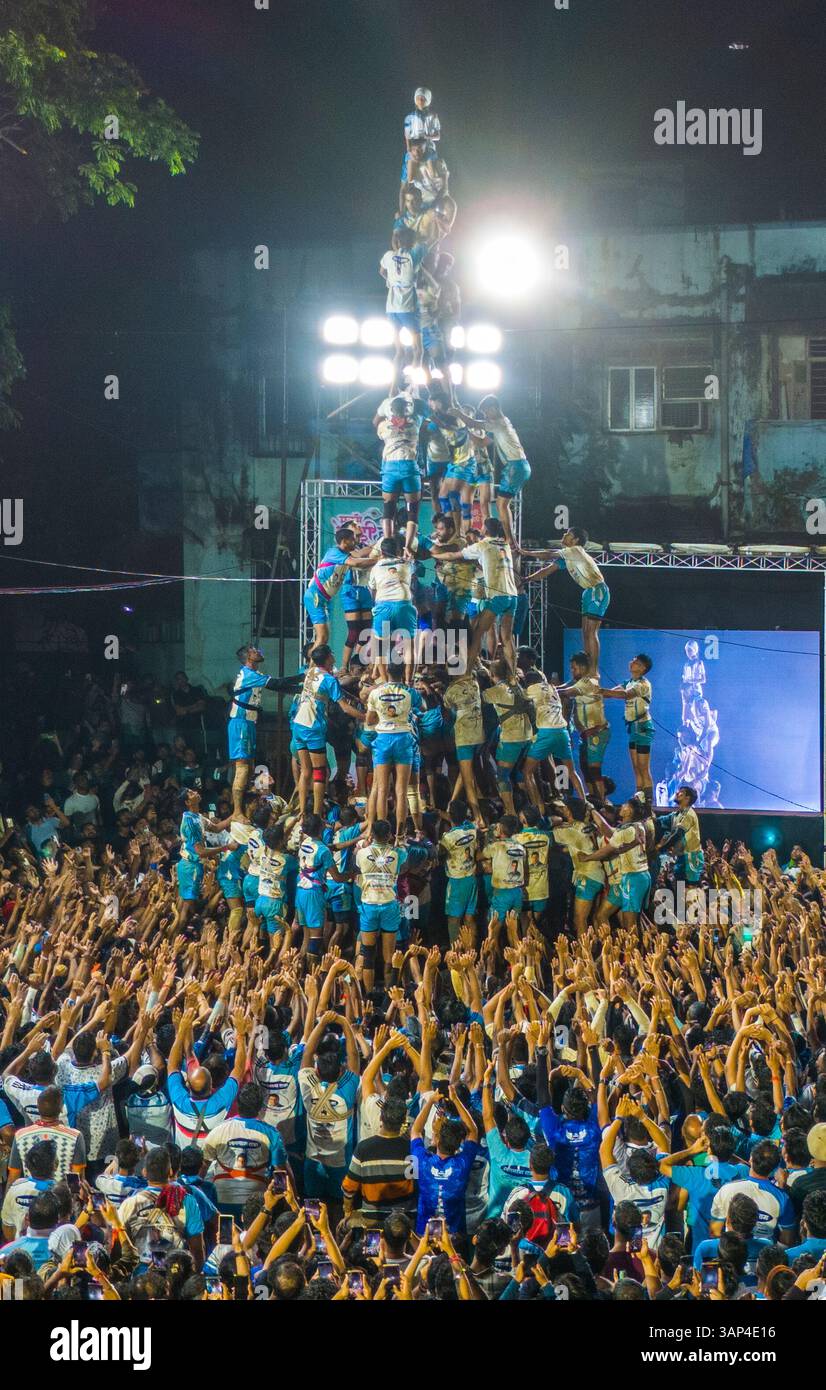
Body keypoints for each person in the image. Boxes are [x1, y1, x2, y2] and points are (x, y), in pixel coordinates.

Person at [522, 528, 609, 671]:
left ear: (575, 540)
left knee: (591, 632)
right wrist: (528, 579)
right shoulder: (567, 556)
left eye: (568, 534)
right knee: (585, 632)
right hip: (588, 591)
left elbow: (548, 555)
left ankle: (593, 671)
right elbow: (547, 570)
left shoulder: (575, 550)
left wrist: (525, 552)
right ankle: (588, 669)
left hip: (597, 590)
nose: (564, 535)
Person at [410, 1088, 480, 1235]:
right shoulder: (461, 1165)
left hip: (424, 1240)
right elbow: (473, 1131)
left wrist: (430, 1101)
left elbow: (415, 1130)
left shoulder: (423, 1162)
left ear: (437, 1139)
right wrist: (456, 1099)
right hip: (454, 1240)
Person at [599, 654, 655, 804]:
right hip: (633, 728)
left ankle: (648, 804)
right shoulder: (629, 682)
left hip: (643, 727)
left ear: (643, 668)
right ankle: (638, 800)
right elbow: (613, 692)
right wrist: (600, 692)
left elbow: (625, 694)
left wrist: (602, 691)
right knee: (636, 768)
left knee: (644, 768)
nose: (631, 663)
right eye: (632, 660)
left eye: (636, 662)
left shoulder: (643, 684)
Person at [379, 226, 426, 385]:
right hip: (408, 309)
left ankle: (392, 388)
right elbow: (423, 241)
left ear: (397, 241)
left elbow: (382, 271)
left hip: (391, 309)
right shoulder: (415, 254)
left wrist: (392, 282)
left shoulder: (388, 256)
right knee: (418, 350)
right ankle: (413, 386)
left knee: (399, 352)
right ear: (412, 242)